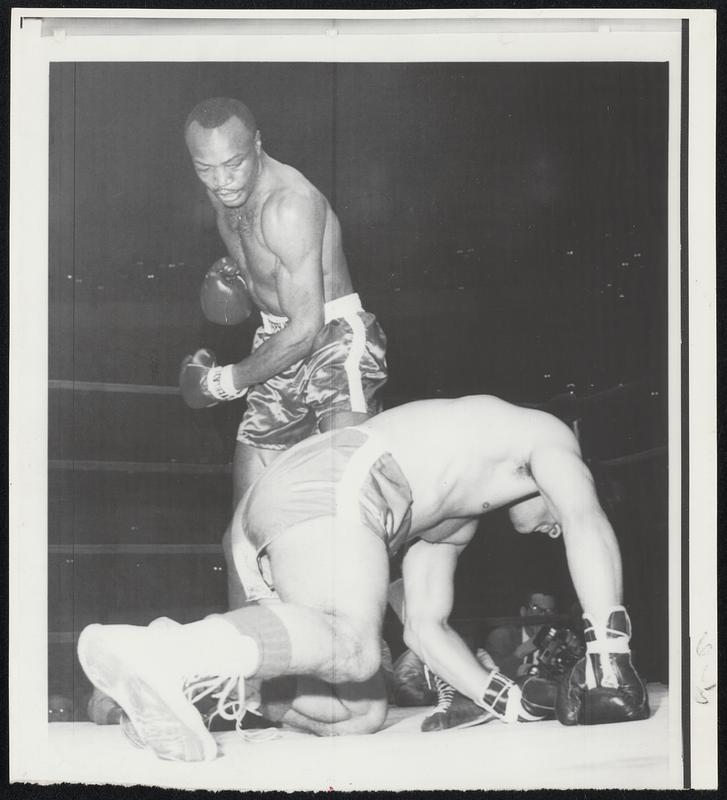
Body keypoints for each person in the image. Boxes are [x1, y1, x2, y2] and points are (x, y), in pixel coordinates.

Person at [78, 395, 650, 762]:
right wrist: (609, 654)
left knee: (358, 711)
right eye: (558, 507)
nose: (551, 530)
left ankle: (191, 690)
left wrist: (509, 701)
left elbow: (426, 629)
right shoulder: (543, 435)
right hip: (338, 477)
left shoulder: (454, 519)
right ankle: (165, 649)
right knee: (351, 646)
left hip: (286, 515)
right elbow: (584, 521)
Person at [179, 97, 387, 608]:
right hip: (278, 338)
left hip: (334, 343)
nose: (222, 181)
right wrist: (240, 277)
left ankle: (391, 633)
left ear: (257, 144)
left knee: (347, 515)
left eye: (233, 165)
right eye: (206, 169)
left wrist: (224, 382)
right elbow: (268, 275)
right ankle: (246, 680)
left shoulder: (290, 203)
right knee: (243, 538)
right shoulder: (224, 193)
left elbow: (306, 324)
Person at [484, 591, 559, 680]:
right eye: (536, 608)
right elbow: (491, 679)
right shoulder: (500, 637)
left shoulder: (555, 640)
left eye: (549, 611)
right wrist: (519, 653)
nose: (544, 616)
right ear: (523, 612)